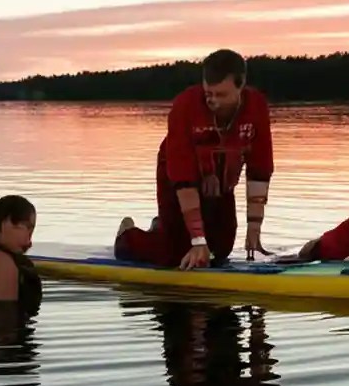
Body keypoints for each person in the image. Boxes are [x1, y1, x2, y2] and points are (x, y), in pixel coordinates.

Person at [114, 49, 274, 270]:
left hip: (221, 174)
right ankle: (128, 236)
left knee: (220, 250)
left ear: (241, 86)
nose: (213, 101)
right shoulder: (185, 106)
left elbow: (259, 169)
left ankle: (163, 228)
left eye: (221, 95)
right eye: (209, 93)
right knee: (175, 255)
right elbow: (183, 177)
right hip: (177, 172)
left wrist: (254, 228)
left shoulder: (256, 107)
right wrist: (198, 240)